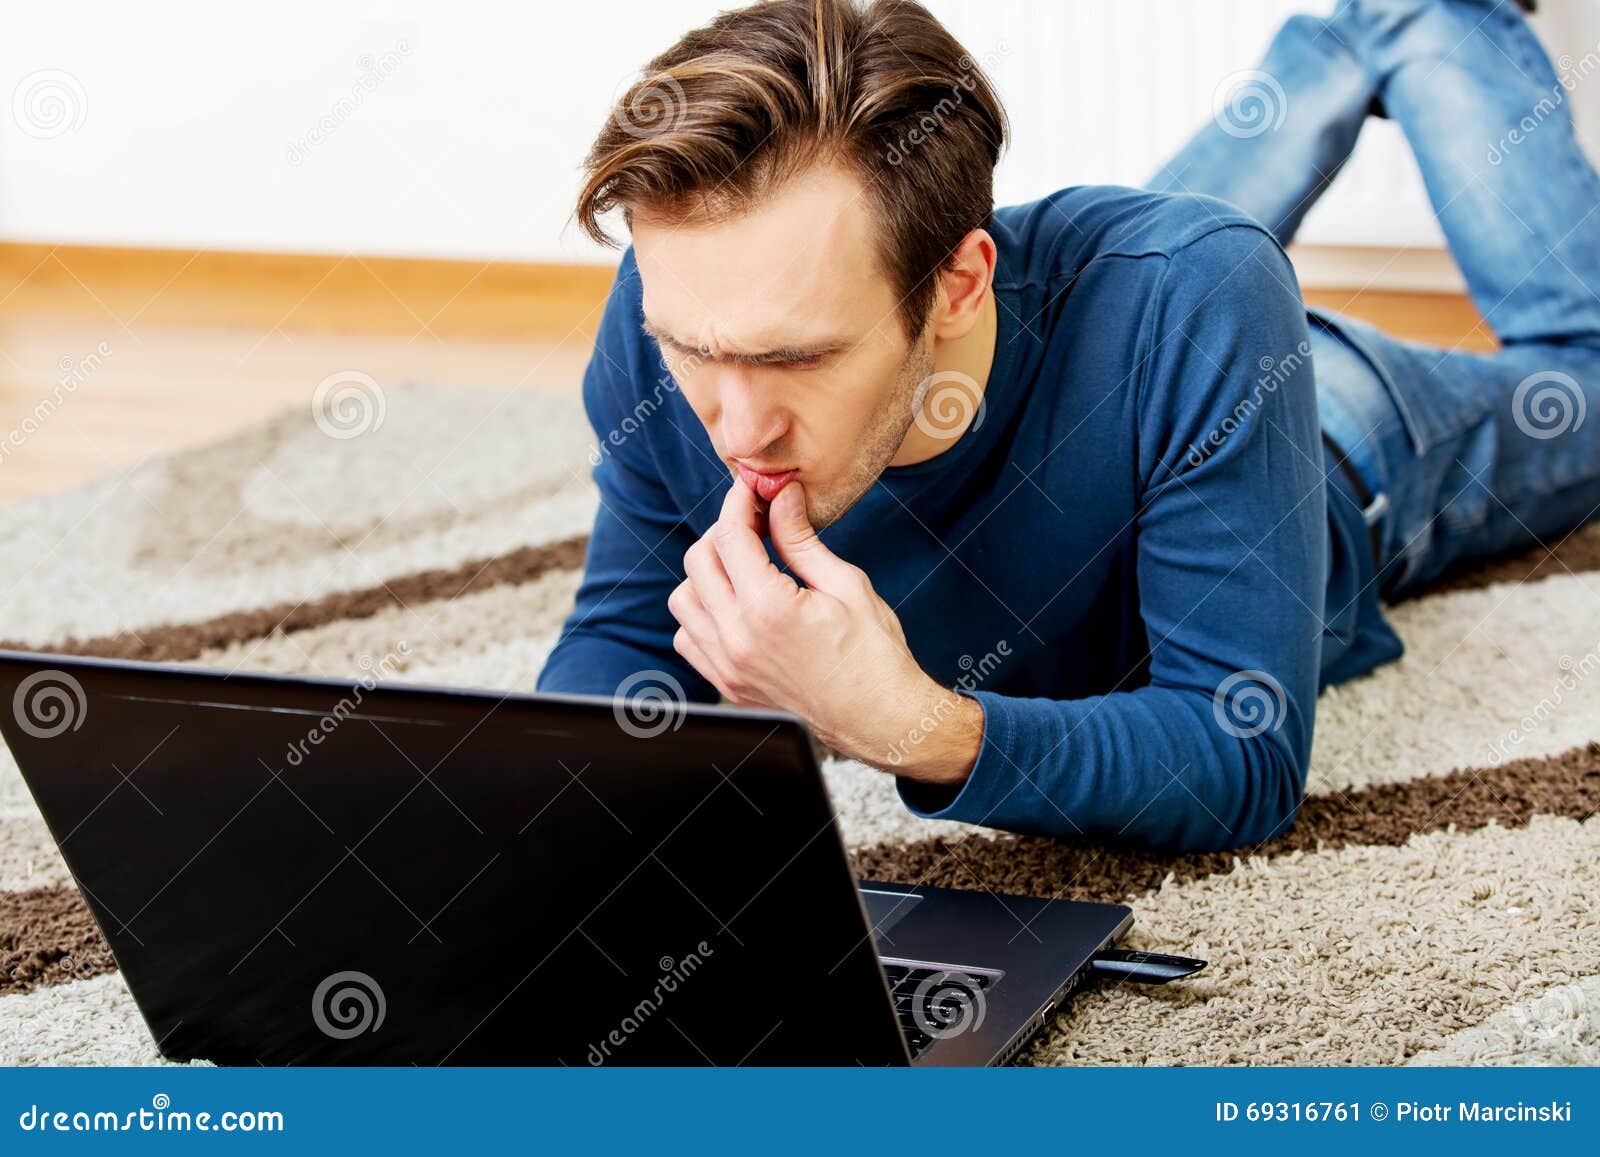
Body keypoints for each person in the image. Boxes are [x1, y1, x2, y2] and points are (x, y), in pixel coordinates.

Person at [538, 0, 1600, 852]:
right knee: (1161, 277)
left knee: (1568, 368)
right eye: (689, 348)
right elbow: (627, 641)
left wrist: (911, 725)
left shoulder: (1193, 300)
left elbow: (1239, 755)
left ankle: (1414, 18)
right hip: (1130, 328)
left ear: (959, 285)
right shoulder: (685, 303)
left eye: (796, 356)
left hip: (1331, 437)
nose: (734, 423)